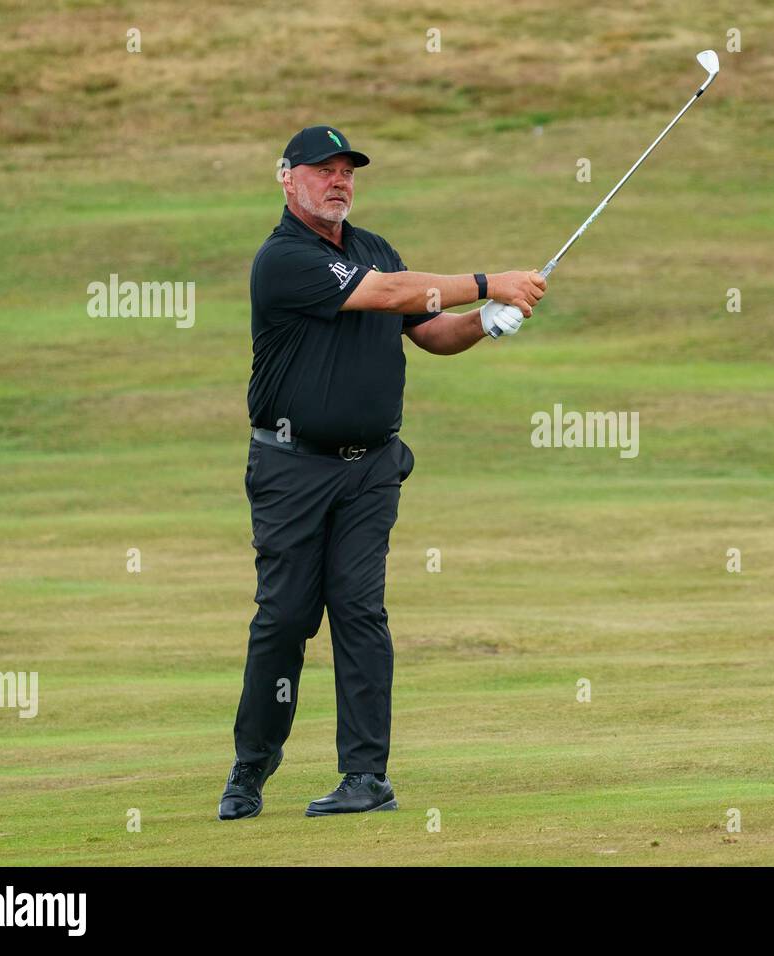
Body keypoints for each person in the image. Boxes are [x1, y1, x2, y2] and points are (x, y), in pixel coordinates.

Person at [218, 125, 546, 820]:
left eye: (347, 170)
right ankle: (252, 766)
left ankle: (366, 777)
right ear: (287, 179)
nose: (339, 180)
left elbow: (429, 331)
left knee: (361, 611)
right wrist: (491, 280)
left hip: (370, 470)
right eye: (323, 169)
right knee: (284, 618)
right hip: (290, 469)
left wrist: (486, 321)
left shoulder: (373, 249)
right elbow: (393, 295)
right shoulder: (283, 260)